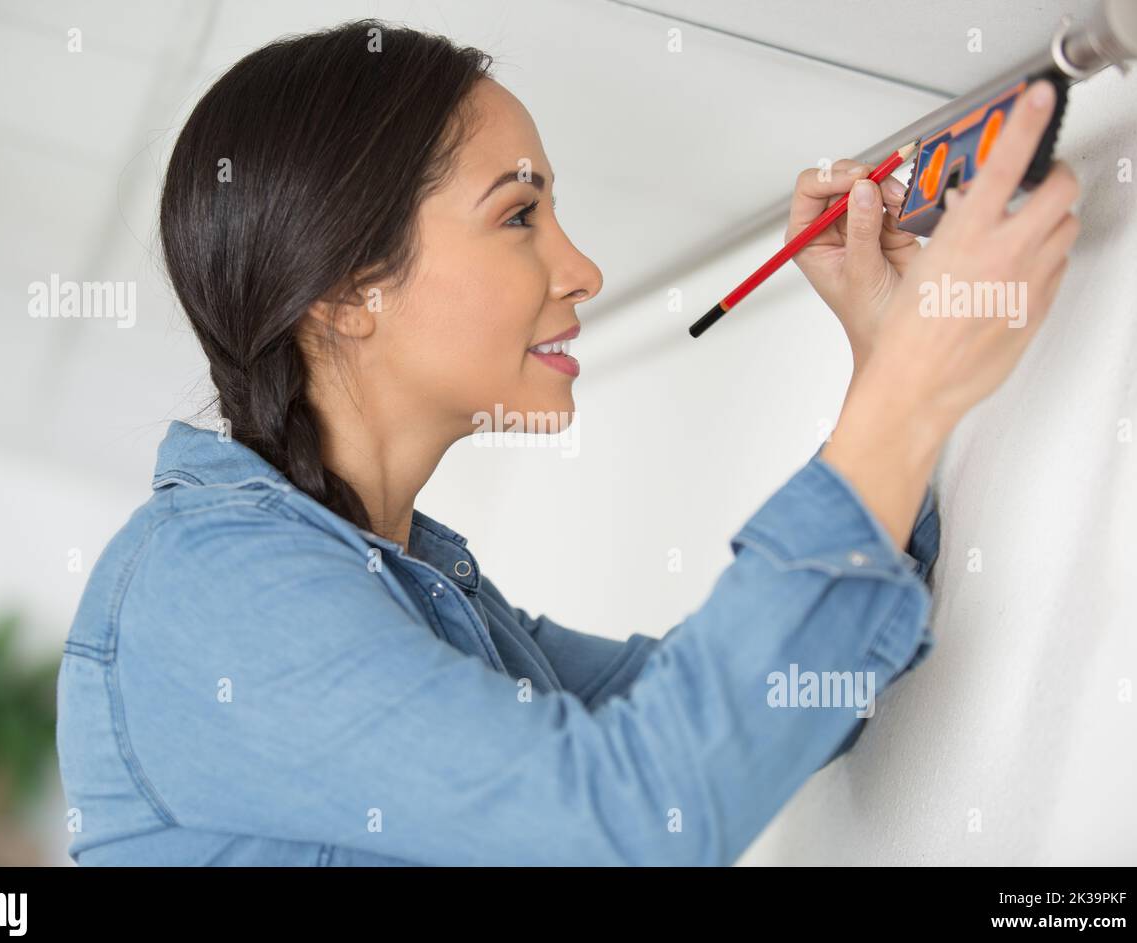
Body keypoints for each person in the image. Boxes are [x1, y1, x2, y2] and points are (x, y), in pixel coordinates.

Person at [56, 19, 1079, 866]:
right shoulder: (212, 586)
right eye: (519, 216)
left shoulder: (422, 588)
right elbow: (631, 817)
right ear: (344, 292)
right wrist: (898, 403)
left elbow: (768, 705)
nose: (581, 269)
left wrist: (883, 366)